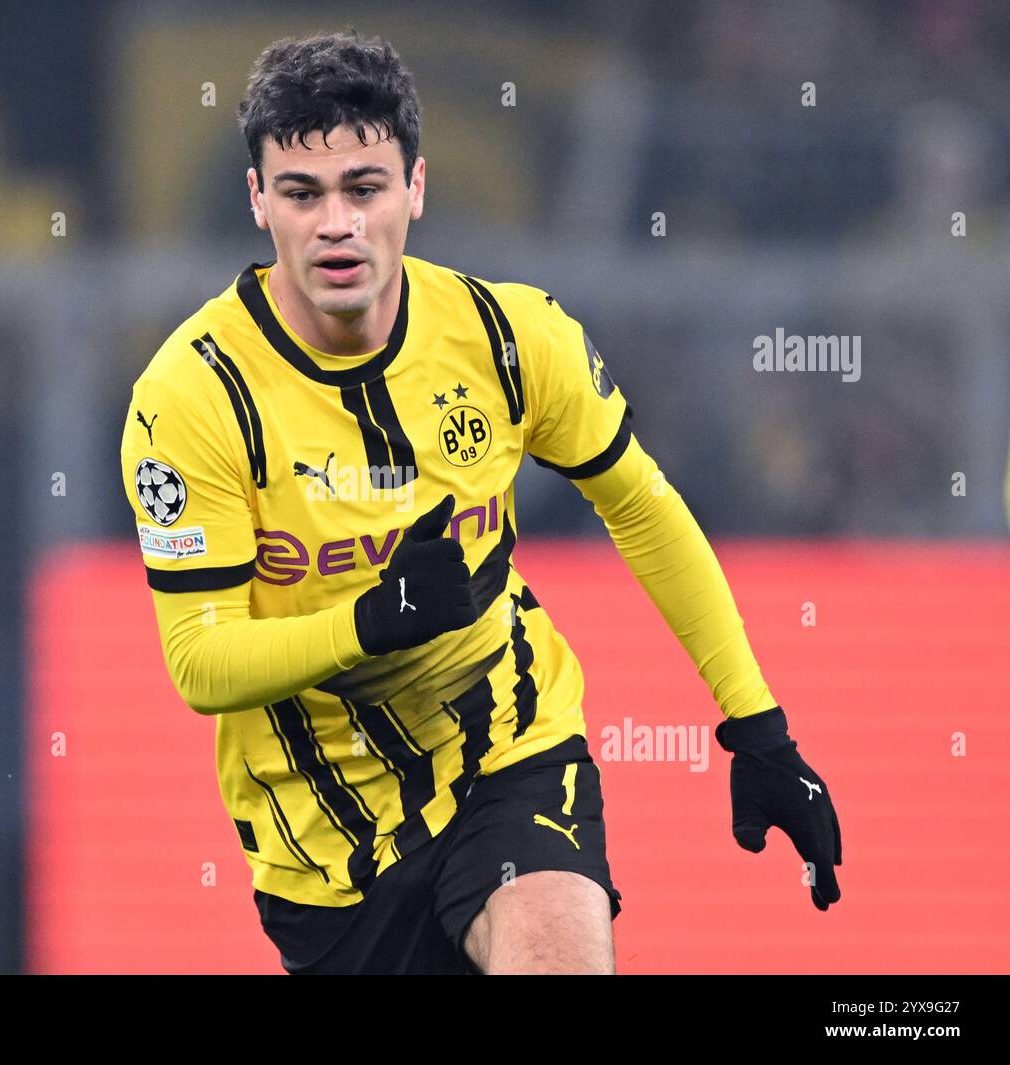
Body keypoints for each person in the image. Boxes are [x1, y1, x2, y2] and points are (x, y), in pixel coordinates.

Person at [119, 29, 841, 975]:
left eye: (364, 187)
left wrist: (758, 726)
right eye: (302, 193)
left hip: (511, 752)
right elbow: (199, 661)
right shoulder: (192, 396)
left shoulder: (509, 337)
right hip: (322, 851)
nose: (338, 224)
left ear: (415, 187)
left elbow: (643, 506)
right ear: (259, 202)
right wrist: (374, 620)